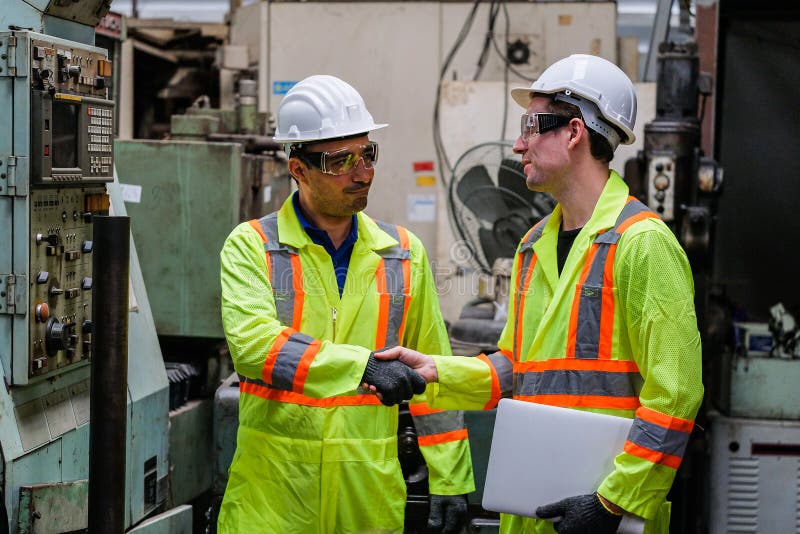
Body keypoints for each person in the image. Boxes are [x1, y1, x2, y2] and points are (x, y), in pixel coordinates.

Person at [367, 54, 703, 534]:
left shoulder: (643, 244)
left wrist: (613, 502)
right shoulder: (532, 246)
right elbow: (518, 370)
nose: (518, 143)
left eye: (531, 125)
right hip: (531, 510)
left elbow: (677, 396)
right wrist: (436, 371)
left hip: (606, 515)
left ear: (573, 133)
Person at [217, 74, 474, 533]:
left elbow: (435, 372)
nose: (362, 173)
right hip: (274, 500)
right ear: (298, 169)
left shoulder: (402, 252)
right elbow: (256, 347)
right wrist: (362, 367)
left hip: (367, 500)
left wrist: (450, 477)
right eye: (340, 161)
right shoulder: (253, 246)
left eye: (367, 154)